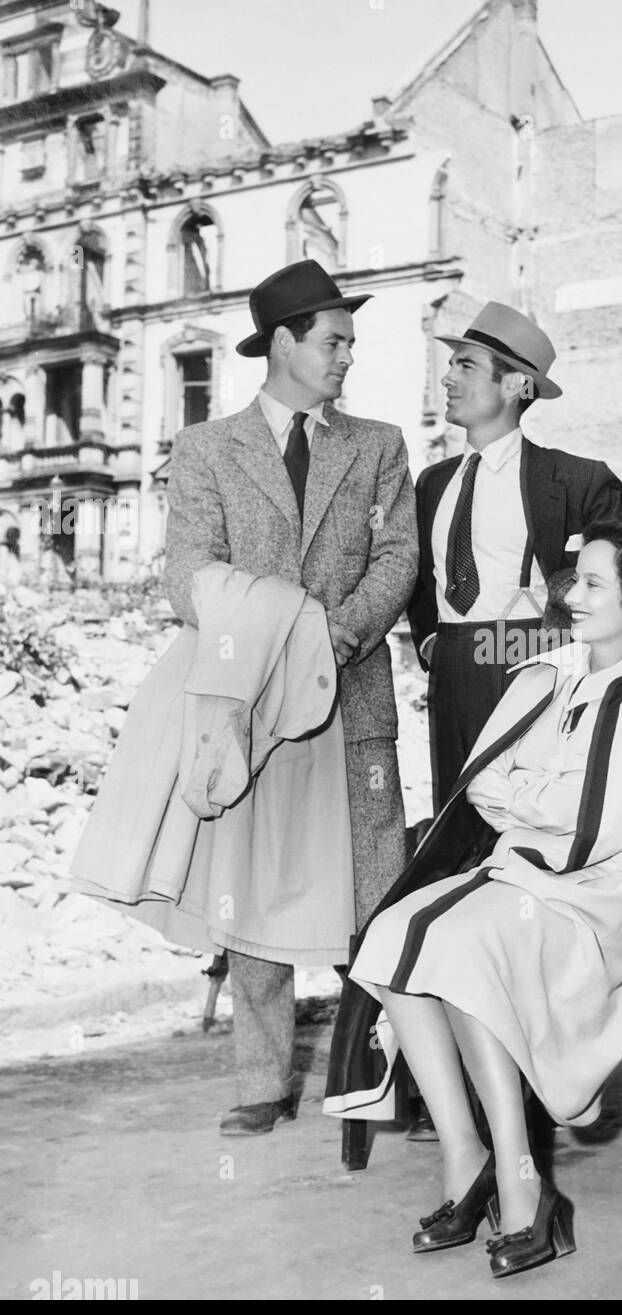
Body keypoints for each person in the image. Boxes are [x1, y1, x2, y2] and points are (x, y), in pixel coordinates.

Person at [325, 522, 622, 1276]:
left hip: (603, 911)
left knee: (465, 943)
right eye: (573, 580)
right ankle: (467, 1157)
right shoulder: (538, 679)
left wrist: (529, 798)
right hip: (519, 880)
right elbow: (480, 785)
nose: (571, 595)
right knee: (395, 931)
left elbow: (613, 833)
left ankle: (522, 1183)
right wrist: (537, 801)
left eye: (594, 584)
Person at [163, 259, 418, 1135]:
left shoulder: (377, 443)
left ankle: (382, 1072)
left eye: (351, 342)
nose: (348, 357)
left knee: (374, 886)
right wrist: (276, 645)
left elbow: (398, 561)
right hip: (251, 701)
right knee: (252, 884)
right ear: (283, 341)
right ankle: (261, 1083)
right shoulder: (204, 450)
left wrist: (335, 636)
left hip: (354, 694)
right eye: (334, 340)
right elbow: (186, 575)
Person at [404, 301, 622, 1138]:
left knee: (530, 862)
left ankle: (552, 1075)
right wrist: (433, 641)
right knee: (458, 851)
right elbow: (420, 586)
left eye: (466, 365)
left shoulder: (574, 479)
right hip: (459, 679)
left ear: (518, 384)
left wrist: (557, 631)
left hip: (538, 677)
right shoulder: (431, 482)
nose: (450, 378)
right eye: (451, 363)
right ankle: (468, 1083)